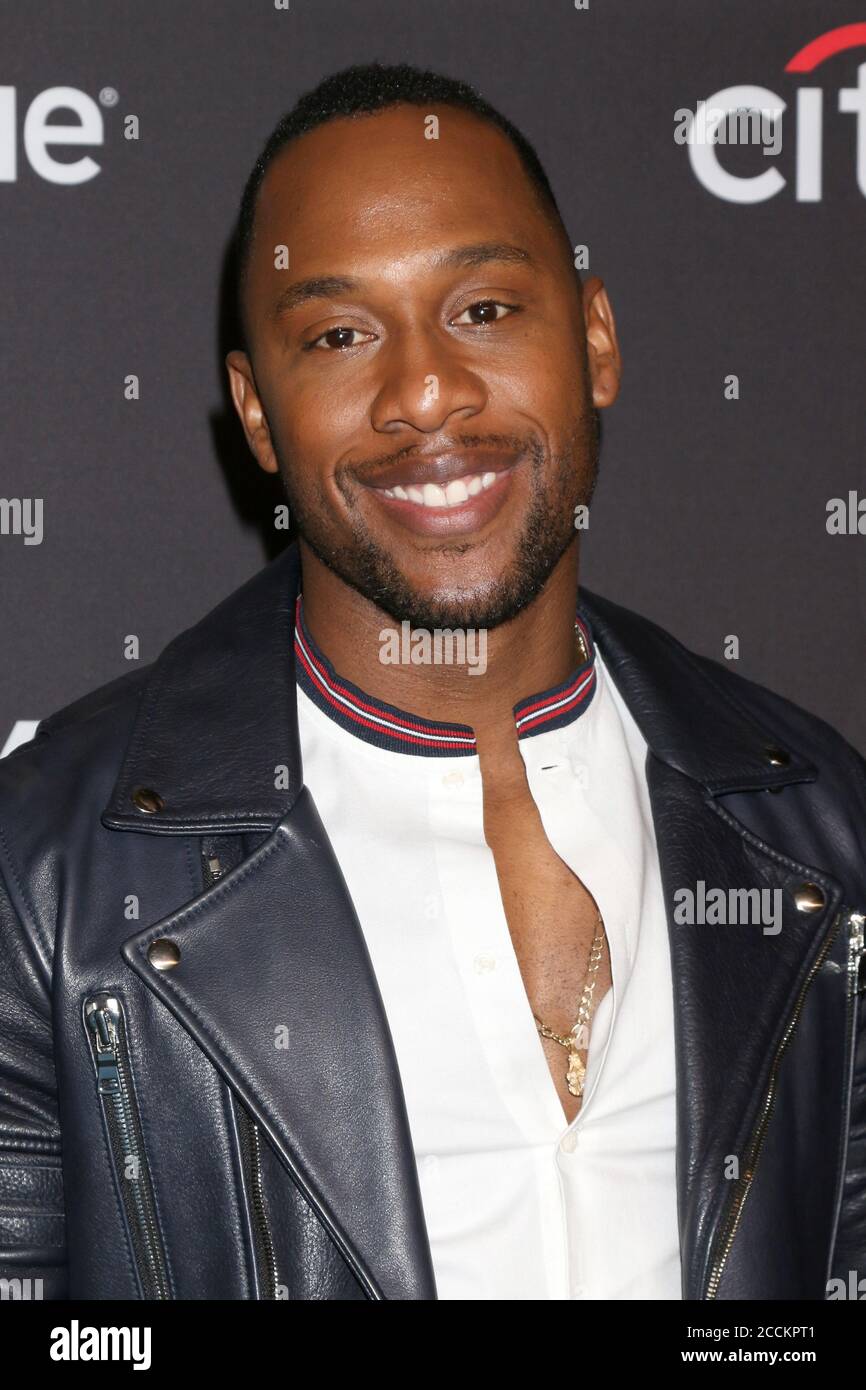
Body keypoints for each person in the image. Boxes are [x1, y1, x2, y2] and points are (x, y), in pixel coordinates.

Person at [1, 62, 864, 1302]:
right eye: (340, 334)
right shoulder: (44, 882)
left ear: (596, 338)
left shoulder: (816, 825)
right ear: (256, 416)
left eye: (484, 310)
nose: (424, 394)